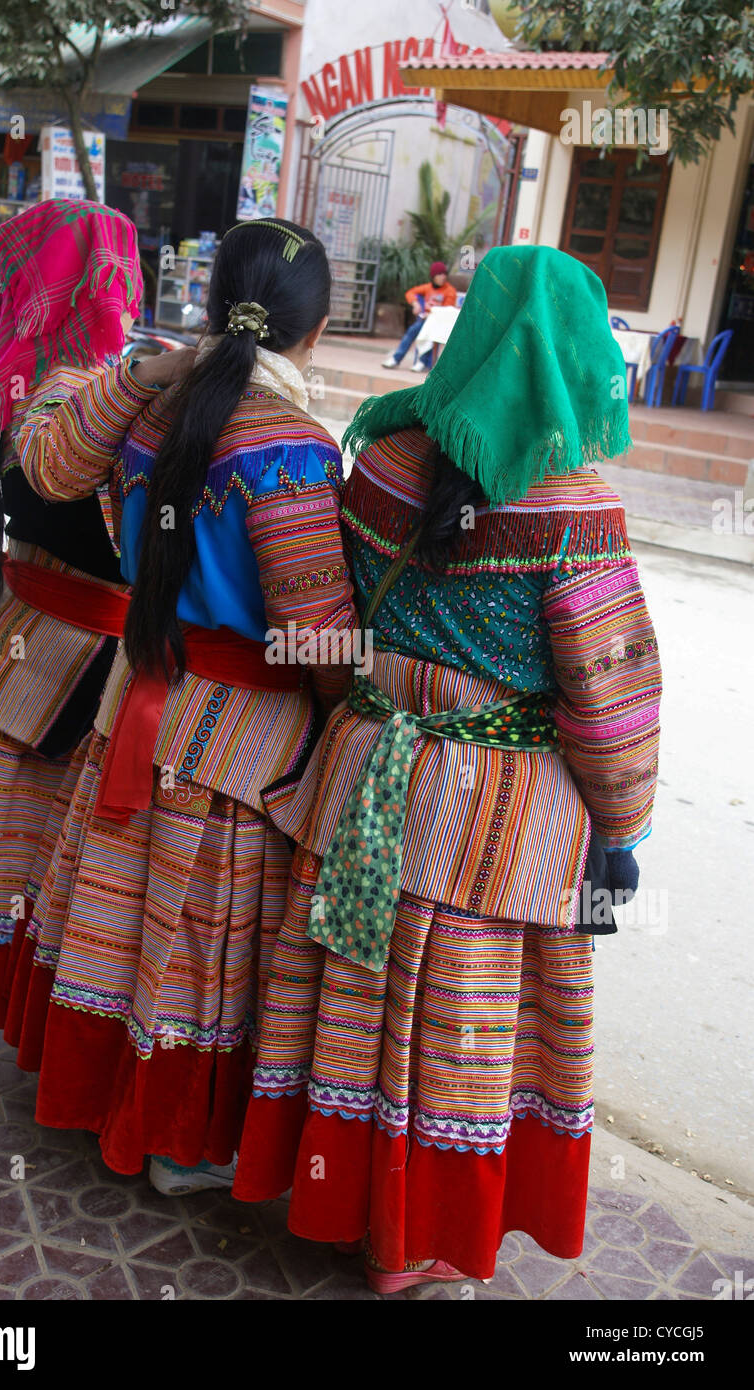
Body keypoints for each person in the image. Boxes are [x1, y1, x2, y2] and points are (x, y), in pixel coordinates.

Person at [231, 245, 662, 1291]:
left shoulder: (381, 455)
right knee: (455, 1038)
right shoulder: (574, 507)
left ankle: (337, 1204)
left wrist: (358, 718)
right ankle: (411, 1239)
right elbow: (609, 696)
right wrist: (624, 828)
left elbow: (329, 610)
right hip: (497, 830)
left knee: (355, 1005)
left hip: (365, 781)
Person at [1, 218, 358, 1193]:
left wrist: (137, 376)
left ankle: (95, 1096)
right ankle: (175, 1141)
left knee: (121, 911)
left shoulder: (153, 409)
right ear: (316, 331)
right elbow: (316, 628)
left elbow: (49, 468)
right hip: (240, 737)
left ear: (207, 306)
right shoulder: (291, 447)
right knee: (201, 935)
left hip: (144, 698)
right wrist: (344, 707)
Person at [0, 198, 180, 1029]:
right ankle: (27, 1019)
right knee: (51, 866)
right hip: (73, 665)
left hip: (14, 648)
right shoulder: (95, 397)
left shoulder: (10, 382)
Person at [382, 260, 458, 373]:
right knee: (412, 331)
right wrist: (415, 304)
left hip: (438, 323)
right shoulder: (427, 288)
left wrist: (431, 313)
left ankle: (422, 361)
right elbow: (410, 293)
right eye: (439, 274)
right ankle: (396, 358)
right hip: (425, 319)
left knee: (426, 333)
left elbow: (447, 310)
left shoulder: (450, 291)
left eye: (444, 274)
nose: (442, 277)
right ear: (433, 276)